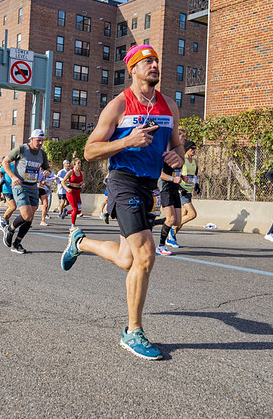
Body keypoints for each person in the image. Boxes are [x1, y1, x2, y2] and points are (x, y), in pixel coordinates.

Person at [61, 44, 183, 361]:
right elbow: (90, 151)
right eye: (147, 61)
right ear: (133, 69)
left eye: (156, 60)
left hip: (149, 186)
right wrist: (126, 141)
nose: (154, 65)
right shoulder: (118, 106)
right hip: (123, 181)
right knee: (145, 254)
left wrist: (176, 158)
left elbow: (177, 150)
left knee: (129, 261)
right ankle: (133, 331)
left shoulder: (169, 106)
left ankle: (80, 242)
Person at [1, 129, 51, 254]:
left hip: (33, 187)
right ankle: (10, 229)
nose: (40, 143)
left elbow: (46, 168)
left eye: (42, 141)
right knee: (27, 215)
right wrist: (12, 176)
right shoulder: (21, 149)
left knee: (30, 218)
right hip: (20, 186)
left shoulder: (42, 154)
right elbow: (5, 162)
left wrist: (47, 171)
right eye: (38, 141)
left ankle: (17, 243)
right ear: (32, 139)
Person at [174, 140, 200, 243]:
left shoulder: (194, 161)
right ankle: (171, 228)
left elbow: (195, 175)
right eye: (192, 148)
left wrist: (197, 184)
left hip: (188, 191)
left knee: (182, 217)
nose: (194, 150)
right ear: (186, 149)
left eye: (195, 148)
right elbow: (176, 174)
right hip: (182, 190)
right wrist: (179, 187)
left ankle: (172, 237)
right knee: (192, 214)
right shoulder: (182, 160)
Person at [61, 158, 85, 229]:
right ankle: (72, 225)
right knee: (75, 208)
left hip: (77, 191)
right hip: (71, 191)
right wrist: (67, 188)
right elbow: (62, 182)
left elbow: (82, 181)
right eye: (79, 163)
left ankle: (66, 212)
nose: (80, 164)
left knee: (79, 211)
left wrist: (83, 184)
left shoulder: (81, 173)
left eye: (80, 163)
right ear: (74, 164)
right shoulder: (71, 172)